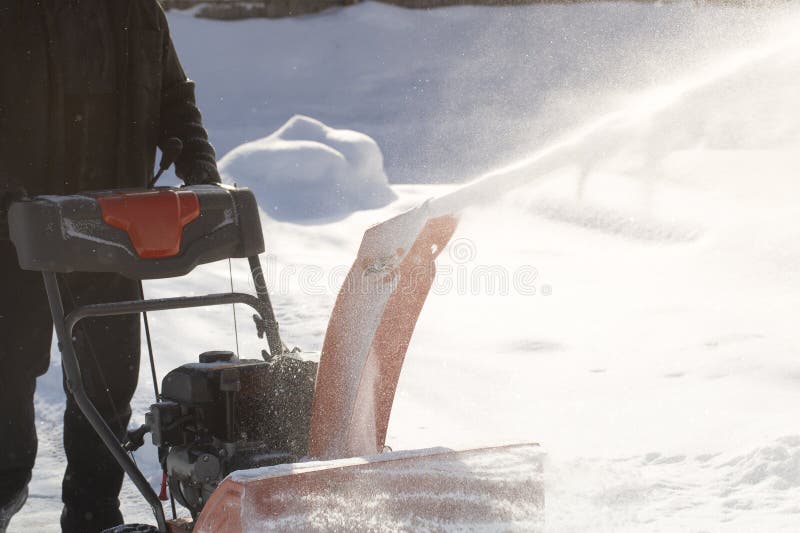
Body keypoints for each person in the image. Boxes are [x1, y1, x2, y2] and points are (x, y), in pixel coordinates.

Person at [0, 1, 220, 531]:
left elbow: (173, 96)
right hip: (15, 230)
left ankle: (94, 514)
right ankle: (5, 487)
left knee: (108, 384)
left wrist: (200, 166)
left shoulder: (139, 10)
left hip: (114, 228)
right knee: (7, 376)